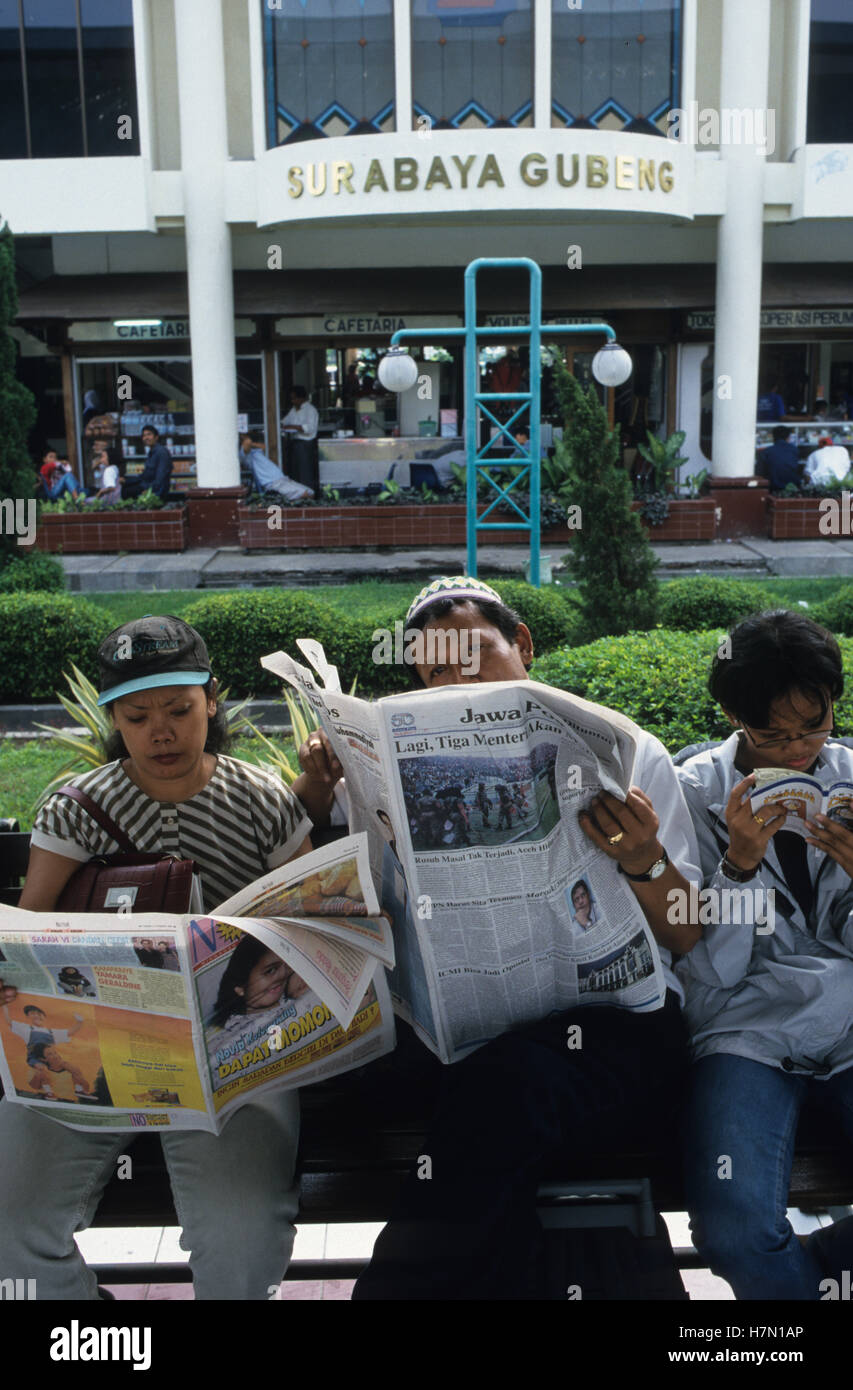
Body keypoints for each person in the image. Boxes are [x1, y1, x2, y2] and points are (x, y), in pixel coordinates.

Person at [295, 574, 704, 1299]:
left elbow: (683, 939)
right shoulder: (396, 772)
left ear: (522, 644)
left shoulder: (629, 754)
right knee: (401, 1088)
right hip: (459, 1031)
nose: (452, 676)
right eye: (430, 668)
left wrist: (644, 862)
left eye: (472, 654)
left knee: (502, 1090)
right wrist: (325, 808)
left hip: (611, 1037)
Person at [0, 615, 313, 1301]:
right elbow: (27, 927)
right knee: (9, 1232)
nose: (161, 731)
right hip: (93, 1046)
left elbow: (311, 926)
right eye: (137, 716)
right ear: (114, 717)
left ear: (210, 700)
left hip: (234, 1050)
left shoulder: (259, 798)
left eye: (178, 709)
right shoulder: (79, 807)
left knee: (243, 1238)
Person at [675, 609, 853, 1300]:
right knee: (734, 1230)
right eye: (771, 735)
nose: (796, 750)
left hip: (845, 1021)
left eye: (814, 726)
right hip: (742, 1031)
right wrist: (737, 868)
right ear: (730, 715)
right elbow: (710, 970)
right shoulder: (691, 793)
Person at [210, 935, 310, 1032]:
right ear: (240, 987)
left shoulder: (293, 990)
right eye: (270, 971)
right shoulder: (234, 1030)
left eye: (286, 965)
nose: (283, 974)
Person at [1, 1001, 91, 1099]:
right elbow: (9, 1021)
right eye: (33, 1014)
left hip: (51, 1058)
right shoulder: (26, 1029)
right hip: (35, 1058)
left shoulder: (51, 1032)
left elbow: (70, 1032)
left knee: (74, 1068)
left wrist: (80, 1022)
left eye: (39, 1014)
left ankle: (79, 1090)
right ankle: (49, 1092)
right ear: (28, 1016)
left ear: (44, 1016)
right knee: (42, 1069)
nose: (37, 1016)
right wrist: (4, 1005)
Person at [239, 431, 313, 502]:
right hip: (273, 483)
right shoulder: (244, 455)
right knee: (306, 494)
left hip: (281, 480)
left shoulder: (254, 451)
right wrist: (242, 434)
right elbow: (248, 441)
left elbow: (263, 446)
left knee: (310, 492)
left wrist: (249, 435)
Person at [281, 386, 319, 493]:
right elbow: (284, 422)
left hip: (306, 444)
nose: (293, 401)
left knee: (305, 472)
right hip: (295, 442)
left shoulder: (310, 410)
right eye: (291, 399)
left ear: (302, 398)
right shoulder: (294, 410)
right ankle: (298, 494)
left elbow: (309, 428)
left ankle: (308, 495)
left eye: (294, 398)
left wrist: (294, 427)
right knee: (295, 471)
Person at [121, 425, 173, 501]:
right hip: (146, 485)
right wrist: (126, 481)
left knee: (126, 492)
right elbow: (144, 476)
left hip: (156, 491)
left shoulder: (161, 452)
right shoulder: (151, 452)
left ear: (156, 437)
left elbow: (160, 478)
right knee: (125, 487)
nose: (146, 438)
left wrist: (150, 491)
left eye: (149, 434)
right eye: (144, 435)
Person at [758, 425, 803, 491]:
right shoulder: (794, 450)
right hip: (792, 487)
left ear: (773, 437)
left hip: (773, 487)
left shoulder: (766, 452)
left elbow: (760, 472)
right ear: (788, 437)